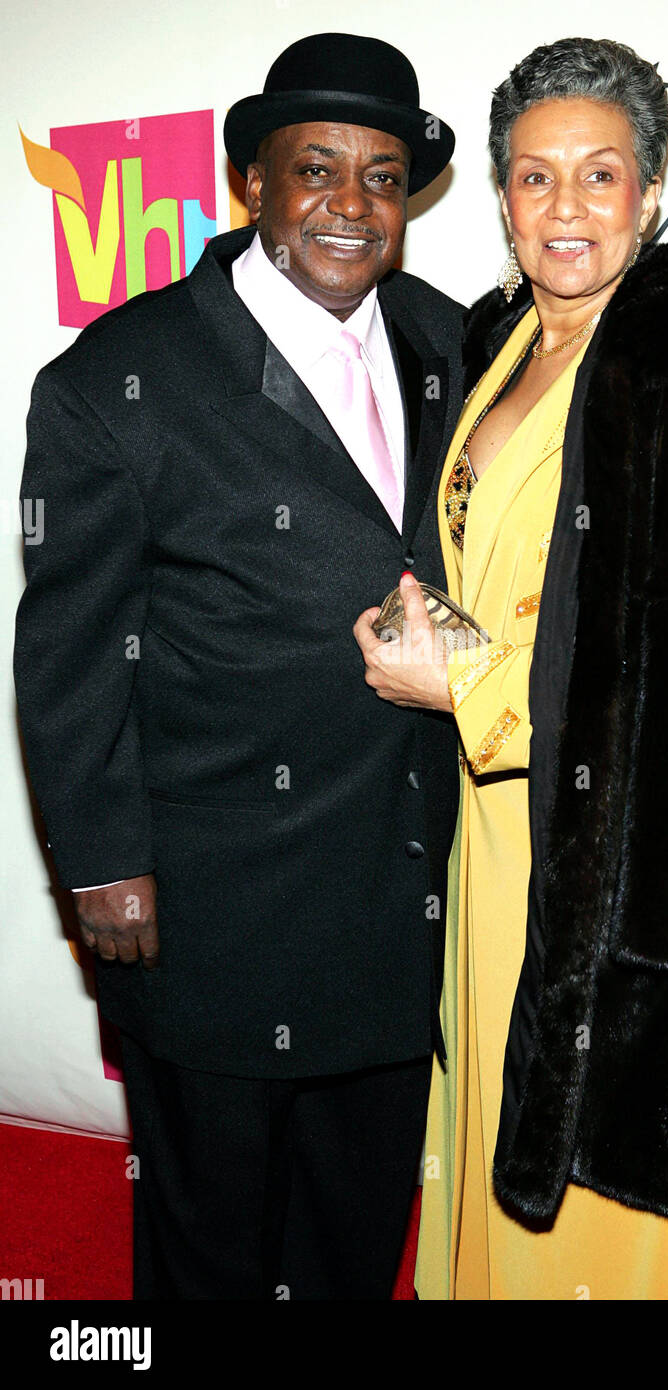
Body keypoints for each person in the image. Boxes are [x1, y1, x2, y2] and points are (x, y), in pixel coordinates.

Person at [354, 35, 668, 1299]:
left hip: (623, 859)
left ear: (653, 191)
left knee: (610, 1178)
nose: (566, 210)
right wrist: (440, 632)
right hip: (498, 839)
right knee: (506, 1129)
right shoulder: (504, 343)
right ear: (501, 195)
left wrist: (469, 688)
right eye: (535, 177)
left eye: (601, 175)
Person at [14, 32, 463, 1300]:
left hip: (403, 889)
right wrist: (103, 862)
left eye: (382, 175)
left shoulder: (447, 339)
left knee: (356, 1220)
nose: (350, 204)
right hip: (216, 902)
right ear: (250, 186)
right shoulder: (118, 377)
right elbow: (66, 647)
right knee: (211, 1239)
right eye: (314, 168)